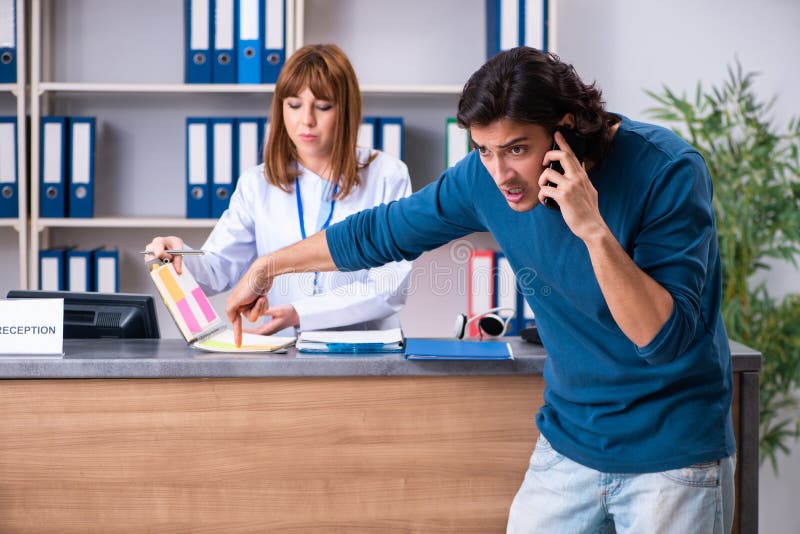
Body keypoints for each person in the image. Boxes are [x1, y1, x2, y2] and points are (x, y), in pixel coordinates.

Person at [224, 46, 736, 533]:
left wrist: (593, 229)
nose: (501, 175)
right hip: (571, 441)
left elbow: (662, 338)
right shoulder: (483, 178)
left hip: (671, 454)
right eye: (484, 151)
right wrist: (267, 267)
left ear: (566, 132)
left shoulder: (666, 169)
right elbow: (380, 232)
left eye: (516, 150)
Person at [145, 44, 413, 337]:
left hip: (363, 351)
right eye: (294, 105)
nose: (306, 120)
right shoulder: (257, 183)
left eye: (323, 106)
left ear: (347, 110)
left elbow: (390, 286)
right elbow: (217, 269)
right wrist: (176, 255)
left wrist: (301, 313)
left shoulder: (388, 176)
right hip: (284, 353)